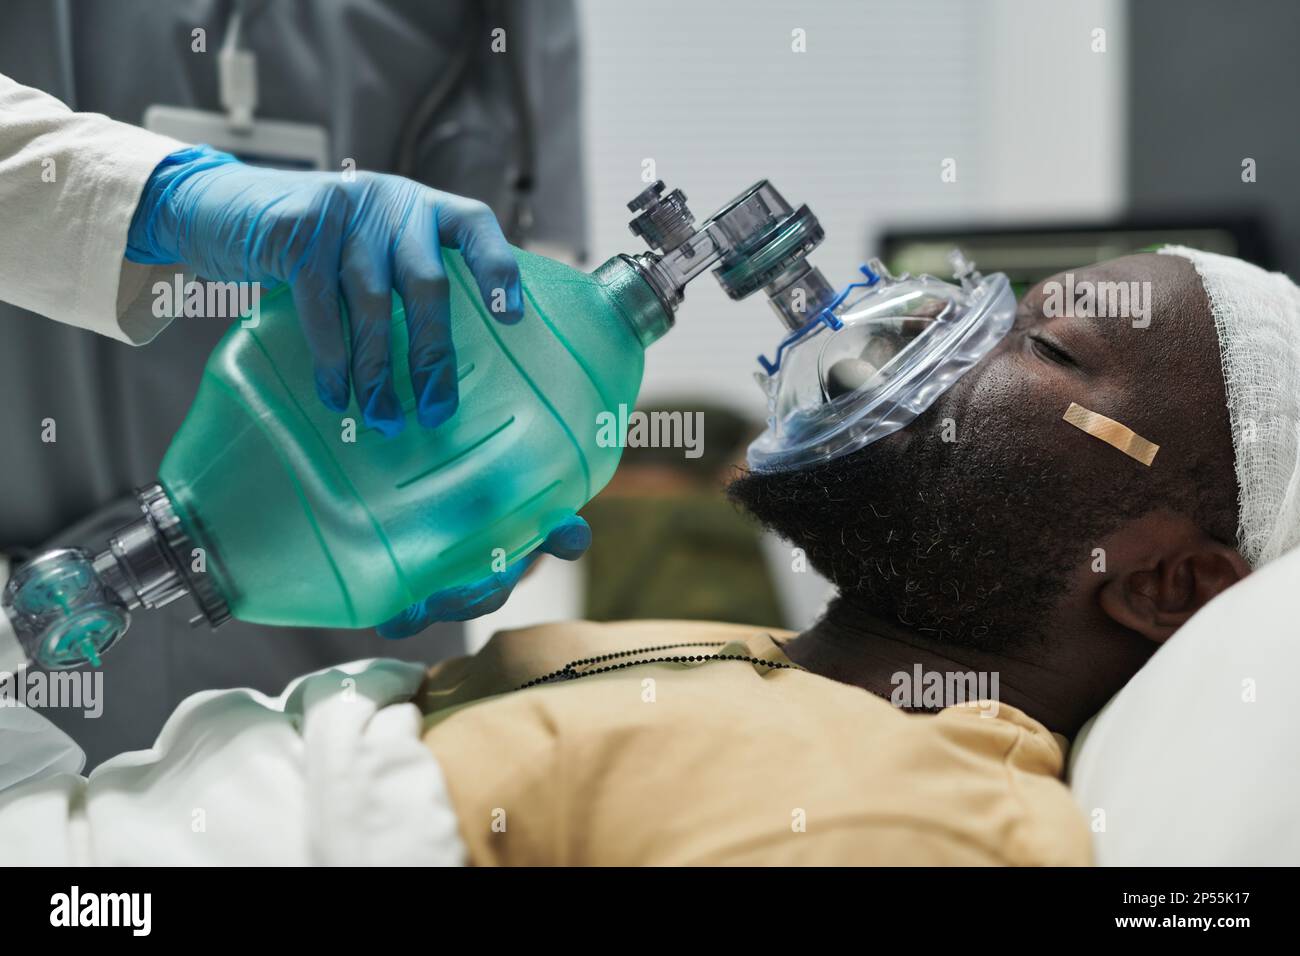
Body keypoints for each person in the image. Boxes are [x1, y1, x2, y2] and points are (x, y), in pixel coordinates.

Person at [5, 247, 1294, 865]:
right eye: (989, 303)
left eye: (1047, 350)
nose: (929, 340)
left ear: (1163, 580)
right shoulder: (776, 670)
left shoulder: (923, 822)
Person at [0, 0, 586, 766]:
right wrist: (155, 194)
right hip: (44, 655)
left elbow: (525, 287)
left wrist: (507, 502)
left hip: (350, 675)